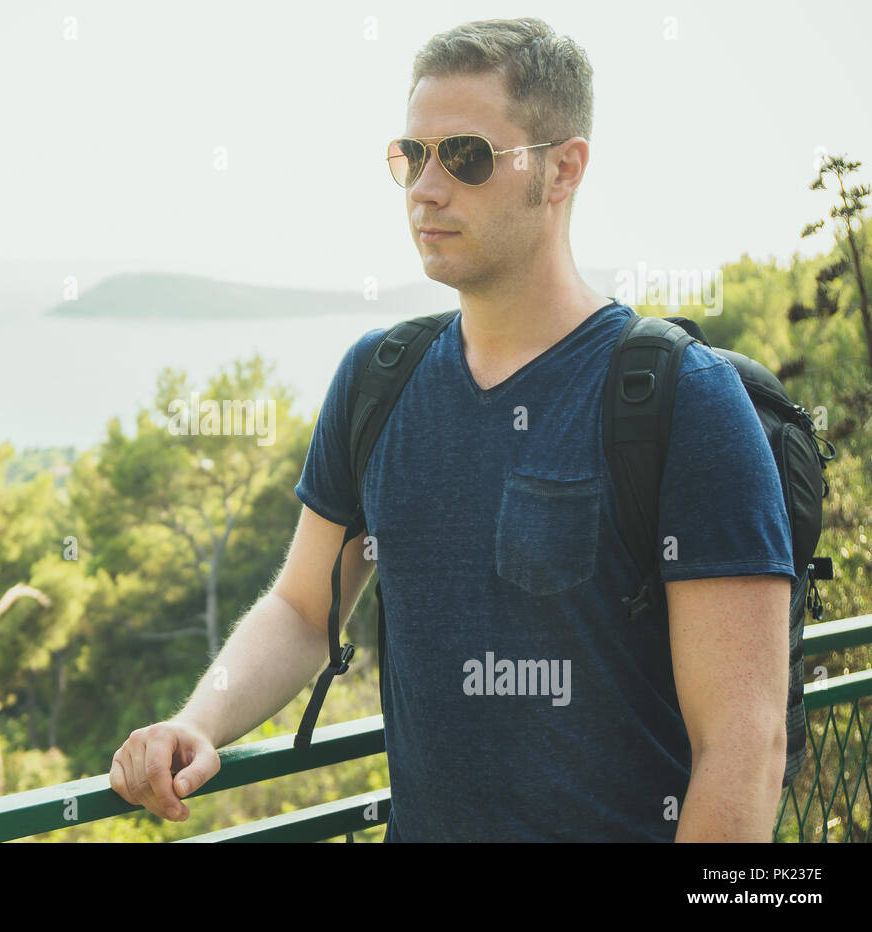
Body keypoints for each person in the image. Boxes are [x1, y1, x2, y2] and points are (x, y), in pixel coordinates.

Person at [109, 17, 794, 841]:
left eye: (466, 157)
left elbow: (743, 750)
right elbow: (301, 609)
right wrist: (200, 719)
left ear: (562, 169)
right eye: (412, 156)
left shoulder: (683, 401)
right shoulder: (378, 379)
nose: (426, 188)